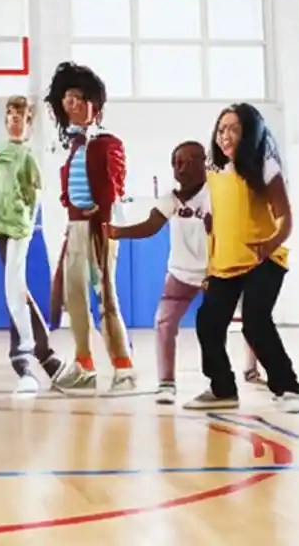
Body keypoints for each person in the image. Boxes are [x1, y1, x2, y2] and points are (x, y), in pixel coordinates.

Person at [185, 103, 299, 413]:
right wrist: (209, 269)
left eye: (234, 129)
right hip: (225, 264)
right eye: (221, 129)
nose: (225, 135)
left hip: (264, 259)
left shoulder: (265, 168)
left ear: (249, 133)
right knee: (208, 322)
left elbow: (285, 219)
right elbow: (217, 224)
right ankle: (222, 389)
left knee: (255, 320)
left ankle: (287, 387)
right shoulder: (214, 174)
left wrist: (270, 243)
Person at [44, 61, 136, 393]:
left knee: (106, 297)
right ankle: (84, 363)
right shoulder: (70, 147)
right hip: (75, 227)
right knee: (74, 297)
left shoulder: (107, 142)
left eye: (79, 98)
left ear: (92, 103)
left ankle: (123, 367)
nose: (72, 104)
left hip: (101, 227)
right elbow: (68, 190)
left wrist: (104, 215)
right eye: (67, 99)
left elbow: (115, 182)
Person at [107, 141, 208, 404]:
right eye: (176, 162)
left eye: (187, 161)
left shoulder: (214, 196)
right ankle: (166, 383)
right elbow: (150, 226)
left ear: (203, 163)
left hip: (215, 274)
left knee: (223, 327)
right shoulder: (170, 199)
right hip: (180, 273)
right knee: (164, 323)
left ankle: (246, 371)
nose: (180, 168)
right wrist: (119, 231)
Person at [0, 95, 62, 394]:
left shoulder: (27, 156)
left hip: (18, 227)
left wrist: (26, 222)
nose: (15, 118)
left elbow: (34, 194)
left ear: (28, 122)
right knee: (17, 287)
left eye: (21, 114)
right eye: (11, 113)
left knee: (14, 287)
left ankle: (25, 354)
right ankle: (43, 355)